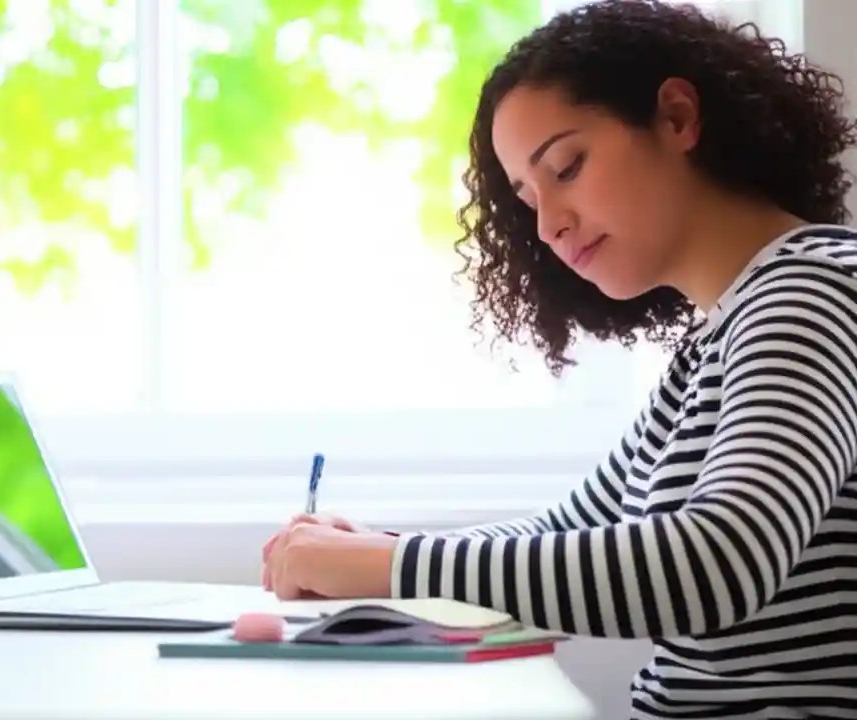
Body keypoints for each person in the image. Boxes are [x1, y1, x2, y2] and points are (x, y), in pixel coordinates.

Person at [259, 1, 857, 717]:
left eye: (567, 167)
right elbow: (565, 535)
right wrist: (382, 549)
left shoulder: (812, 291)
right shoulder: (718, 340)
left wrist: (391, 568)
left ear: (676, 117)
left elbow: (720, 561)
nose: (547, 225)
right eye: (528, 199)